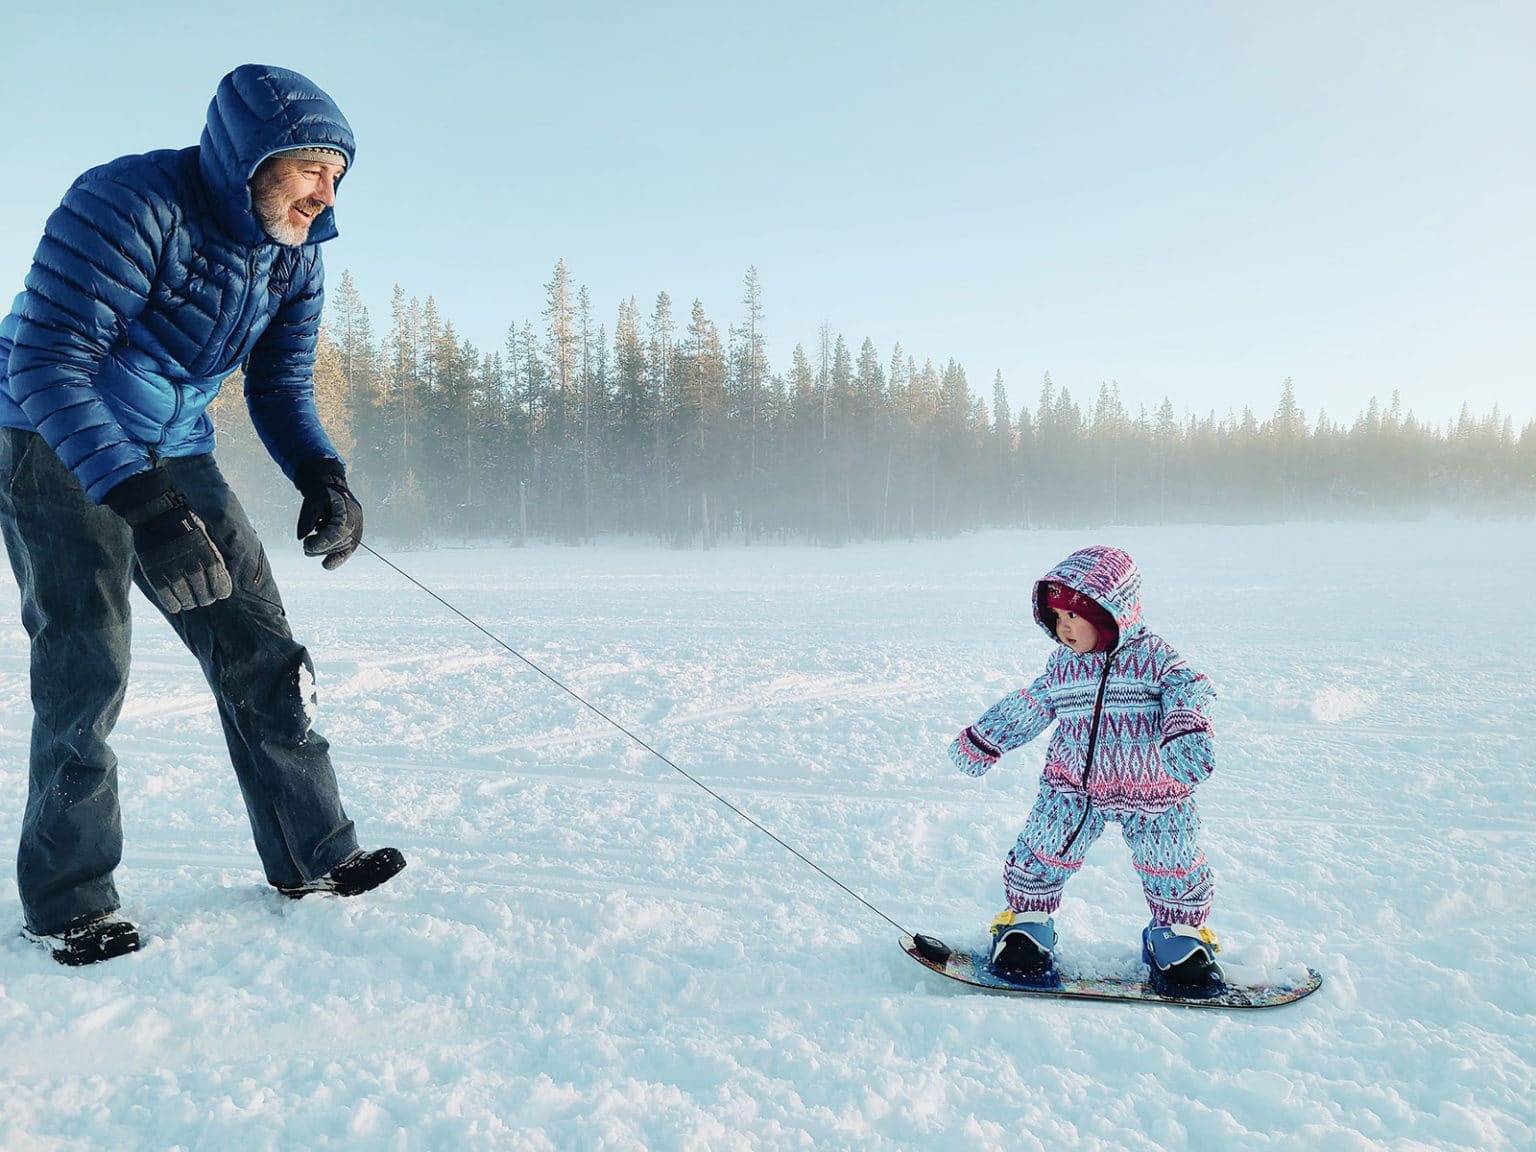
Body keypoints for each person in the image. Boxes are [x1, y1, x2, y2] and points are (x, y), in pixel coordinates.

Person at [0, 64, 405, 967]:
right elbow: (45, 361)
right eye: (311, 170)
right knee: (86, 664)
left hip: (176, 445)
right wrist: (142, 505)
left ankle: (312, 854)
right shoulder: (126, 201)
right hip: (51, 436)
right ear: (249, 157)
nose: (324, 195)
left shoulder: (296, 257)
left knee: (260, 645)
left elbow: (279, 384)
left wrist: (322, 476)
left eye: (338, 177)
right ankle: (67, 901)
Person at [948, 545, 1224, 996]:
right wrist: (986, 738)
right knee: (1041, 850)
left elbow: (1191, 690)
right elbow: (1032, 703)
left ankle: (1177, 937)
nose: (1063, 629)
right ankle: (1027, 926)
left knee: (1172, 862)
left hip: (1154, 790)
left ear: (1112, 610)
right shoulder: (1062, 666)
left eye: (1073, 616)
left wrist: (1184, 731)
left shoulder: (1156, 659)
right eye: (1055, 618)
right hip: (1073, 788)